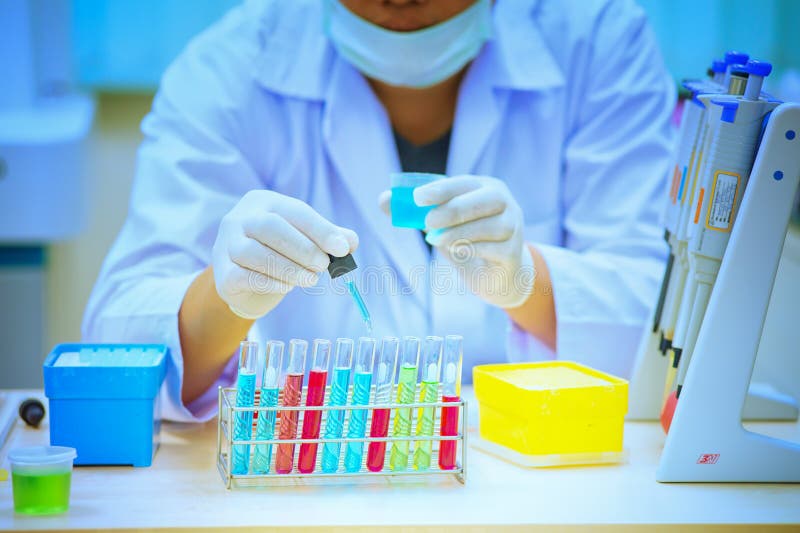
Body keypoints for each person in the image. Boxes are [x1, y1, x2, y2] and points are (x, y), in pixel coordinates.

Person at [83, 0, 675, 422]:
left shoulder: (599, 40)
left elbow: (667, 332)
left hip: (536, 467)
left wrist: (526, 282)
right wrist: (226, 296)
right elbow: (113, 349)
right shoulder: (230, 66)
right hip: (313, 480)